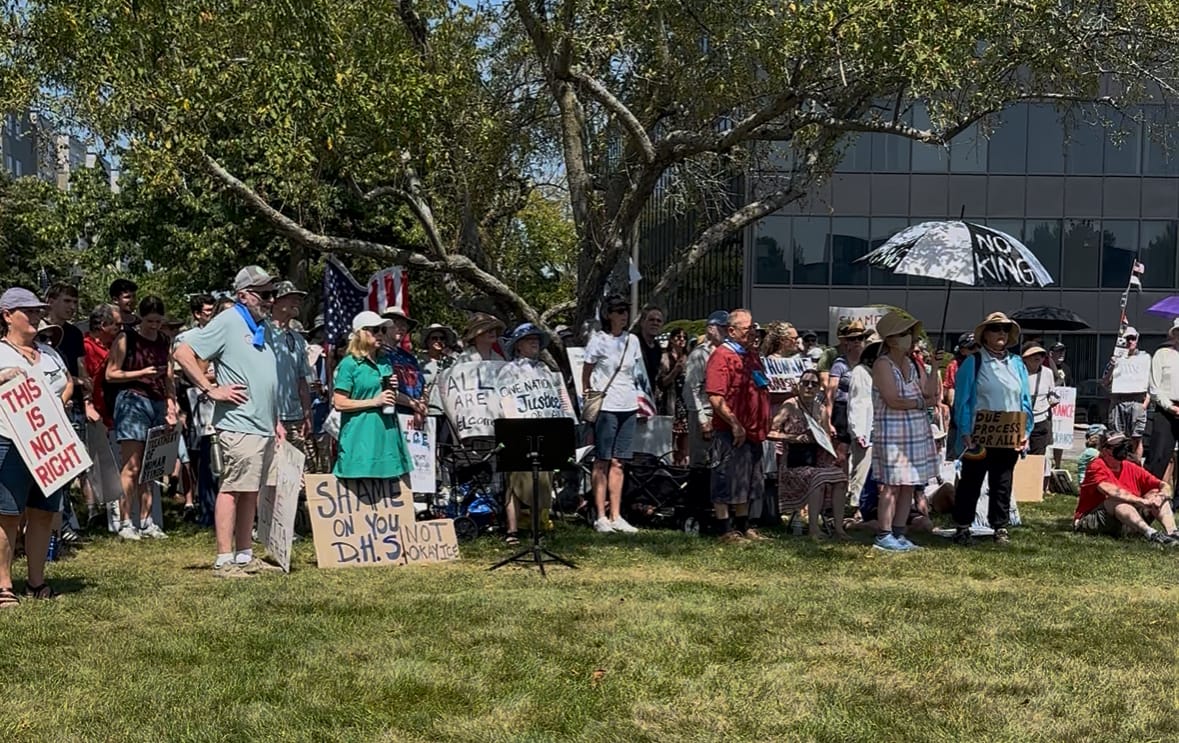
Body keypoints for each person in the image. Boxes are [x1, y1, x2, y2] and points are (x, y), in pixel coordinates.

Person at [174, 265, 284, 578]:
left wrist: (275, 420)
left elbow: (264, 378)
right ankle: (224, 559)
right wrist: (210, 388)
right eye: (264, 294)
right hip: (238, 423)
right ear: (243, 295)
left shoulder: (260, 326)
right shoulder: (229, 320)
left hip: (261, 424)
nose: (270, 299)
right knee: (233, 488)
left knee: (250, 491)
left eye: (271, 293)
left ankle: (244, 555)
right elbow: (183, 353)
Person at [0, 287, 73, 603]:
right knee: (8, 515)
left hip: (49, 445)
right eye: (27, 311)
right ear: (7, 315)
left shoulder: (50, 353)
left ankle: (36, 582)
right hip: (10, 441)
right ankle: (3, 586)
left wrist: (61, 402)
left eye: (37, 310)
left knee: (43, 513)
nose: (35, 316)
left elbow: (67, 382)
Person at [951, 312, 1033, 546]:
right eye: (996, 328)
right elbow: (963, 400)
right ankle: (963, 526)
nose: (1001, 333)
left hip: (1009, 434)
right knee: (971, 481)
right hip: (979, 433)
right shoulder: (974, 362)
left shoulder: (1017, 363)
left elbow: (1025, 399)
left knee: (1003, 482)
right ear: (985, 334)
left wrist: (1025, 430)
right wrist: (965, 431)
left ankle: (1000, 526)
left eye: (1005, 329)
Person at [105, 295, 178, 540]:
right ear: (141, 318)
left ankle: (148, 521)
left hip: (157, 402)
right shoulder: (127, 338)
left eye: (158, 321)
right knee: (132, 465)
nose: (154, 326)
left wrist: (171, 404)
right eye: (150, 321)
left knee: (152, 466)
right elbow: (111, 374)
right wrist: (141, 372)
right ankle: (126, 521)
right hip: (132, 400)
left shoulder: (164, 341)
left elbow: (168, 376)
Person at [870, 311, 940, 552]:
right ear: (889, 339)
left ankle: (899, 533)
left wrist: (934, 367)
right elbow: (893, 399)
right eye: (902, 334)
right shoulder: (882, 364)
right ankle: (884, 534)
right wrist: (920, 403)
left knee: (908, 484)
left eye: (909, 333)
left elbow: (929, 394)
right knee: (891, 485)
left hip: (915, 432)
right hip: (892, 434)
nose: (909, 338)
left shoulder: (912, 363)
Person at [498, 323, 573, 544]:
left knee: (543, 480)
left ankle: (537, 527)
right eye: (529, 339)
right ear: (518, 345)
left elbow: (557, 401)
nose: (535, 342)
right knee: (514, 481)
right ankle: (512, 531)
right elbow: (504, 400)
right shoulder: (508, 370)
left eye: (537, 339)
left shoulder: (546, 370)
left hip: (545, 432)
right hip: (519, 430)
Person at [705, 308, 770, 543]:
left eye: (753, 327)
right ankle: (724, 529)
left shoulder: (751, 356)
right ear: (731, 331)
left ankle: (744, 527)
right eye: (747, 328)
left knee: (749, 481)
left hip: (754, 432)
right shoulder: (721, 356)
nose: (752, 332)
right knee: (725, 478)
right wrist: (734, 423)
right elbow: (715, 396)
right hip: (731, 431)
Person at [583, 295, 642, 534]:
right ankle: (600, 515)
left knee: (619, 462)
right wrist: (590, 395)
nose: (623, 316)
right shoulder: (598, 341)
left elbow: (637, 373)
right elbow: (586, 373)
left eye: (625, 311)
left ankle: (616, 514)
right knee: (602, 460)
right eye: (619, 311)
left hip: (628, 405)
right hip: (606, 406)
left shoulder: (633, 340)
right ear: (609, 315)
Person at [330, 310, 413, 481]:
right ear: (361, 332)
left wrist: (395, 391)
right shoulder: (349, 364)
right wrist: (374, 401)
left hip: (387, 434)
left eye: (383, 330)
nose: (381, 334)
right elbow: (339, 403)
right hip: (360, 437)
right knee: (359, 493)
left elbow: (387, 395)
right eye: (376, 330)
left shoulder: (384, 361)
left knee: (390, 491)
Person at [770, 368, 848, 540]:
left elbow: (827, 437)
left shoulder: (820, 409)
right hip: (793, 462)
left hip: (816, 459)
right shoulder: (790, 405)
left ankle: (839, 529)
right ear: (799, 385)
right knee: (817, 479)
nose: (809, 387)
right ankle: (813, 529)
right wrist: (793, 438)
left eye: (814, 384)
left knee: (841, 478)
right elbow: (770, 432)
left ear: (819, 388)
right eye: (805, 383)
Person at [1074, 432, 1178, 545]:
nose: (1123, 449)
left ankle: (1173, 534)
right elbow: (1109, 490)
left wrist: (1161, 497)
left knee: (1155, 493)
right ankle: (1152, 534)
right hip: (1093, 519)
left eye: (1125, 446)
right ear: (1104, 450)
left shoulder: (1130, 466)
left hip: (1125, 520)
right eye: (1118, 447)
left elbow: (1164, 485)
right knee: (1115, 501)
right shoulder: (1096, 465)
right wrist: (1141, 501)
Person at [81, 303, 121, 526]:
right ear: (103, 325)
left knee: (113, 463)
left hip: (113, 413)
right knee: (94, 464)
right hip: (95, 414)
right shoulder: (86, 347)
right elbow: (86, 379)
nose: (119, 329)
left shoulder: (114, 347)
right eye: (116, 325)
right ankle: (93, 512)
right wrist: (89, 405)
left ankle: (114, 515)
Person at [268, 282, 313, 452]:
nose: (297, 302)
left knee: (294, 472)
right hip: (269, 416)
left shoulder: (299, 339)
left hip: (295, 416)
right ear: (275, 302)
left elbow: (302, 380)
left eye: (299, 299)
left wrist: (307, 414)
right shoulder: (263, 333)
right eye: (291, 298)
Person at [682, 311, 728, 466]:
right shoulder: (700, 354)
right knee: (702, 463)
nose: (726, 331)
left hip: (723, 414)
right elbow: (690, 390)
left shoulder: (727, 352)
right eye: (722, 327)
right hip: (704, 413)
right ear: (710, 329)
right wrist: (702, 420)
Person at [846, 331, 882, 512]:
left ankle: (871, 506)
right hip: (865, 431)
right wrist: (858, 431)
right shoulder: (860, 372)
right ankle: (856, 507)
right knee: (862, 469)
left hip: (880, 428)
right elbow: (857, 403)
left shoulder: (879, 373)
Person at [1103, 326, 1151, 461]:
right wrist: (1112, 365)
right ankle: (1119, 466)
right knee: (1117, 437)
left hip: (1137, 401)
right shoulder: (1116, 359)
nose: (1130, 341)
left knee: (1136, 438)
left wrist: (1145, 404)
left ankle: (1136, 469)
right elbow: (1105, 382)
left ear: (1137, 339)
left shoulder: (1145, 358)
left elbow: (1151, 383)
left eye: (1132, 338)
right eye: (1126, 338)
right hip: (1118, 400)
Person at [379, 307, 428, 424]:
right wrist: (413, 404)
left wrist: (421, 406)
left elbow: (422, 386)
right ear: (384, 327)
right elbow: (382, 387)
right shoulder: (378, 354)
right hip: (388, 416)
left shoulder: (409, 358)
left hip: (413, 419)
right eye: (396, 323)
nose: (401, 328)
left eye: (404, 325)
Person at [1147, 318, 1179, 485]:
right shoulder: (1162, 354)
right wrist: (1170, 407)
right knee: (1159, 456)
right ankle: (1149, 494)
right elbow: (1154, 387)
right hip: (1166, 410)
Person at [824, 320, 866, 447]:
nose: (857, 341)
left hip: (863, 410)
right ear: (847, 342)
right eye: (853, 339)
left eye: (861, 338)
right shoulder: (839, 364)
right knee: (842, 451)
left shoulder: (870, 363)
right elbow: (831, 395)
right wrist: (828, 421)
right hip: (842, 410)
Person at [658, 327, 689, 465]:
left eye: (684, 337)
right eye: (678, 337)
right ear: (672, 339)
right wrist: (675, 371)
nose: (681, 340)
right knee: (670, 439)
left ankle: (683, 465)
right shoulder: (665, 358)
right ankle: (670, 465)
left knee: (685, 438)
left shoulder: (688, 357)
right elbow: (662, 382)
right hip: (670, 401)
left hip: (686, 403)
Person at [1023, 343, 1058, 456]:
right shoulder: (1018, 371)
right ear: (1025, 357)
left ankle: (1034, 474)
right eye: (1033, 354)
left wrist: (1053, 400)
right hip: (1020, 420)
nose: (1038, 357)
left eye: (1041, 355)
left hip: (1040, 420)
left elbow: (1051, 393)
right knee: (1017, 455)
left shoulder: (1048, 373)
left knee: (1037, 456)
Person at [760, 321, 808, 402]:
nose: (797, 341)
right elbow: (764, 393)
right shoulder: (767, 363)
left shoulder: (796, 361)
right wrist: (791, 394)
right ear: (782, 340)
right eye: (794, 338)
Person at [631, 305, 665, 406]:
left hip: (647, 399)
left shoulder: (657, 348)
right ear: (642, 323)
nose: (655, 323)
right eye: (651, 320)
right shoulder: (633, 342)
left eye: (659, 321)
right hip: (631, 398)